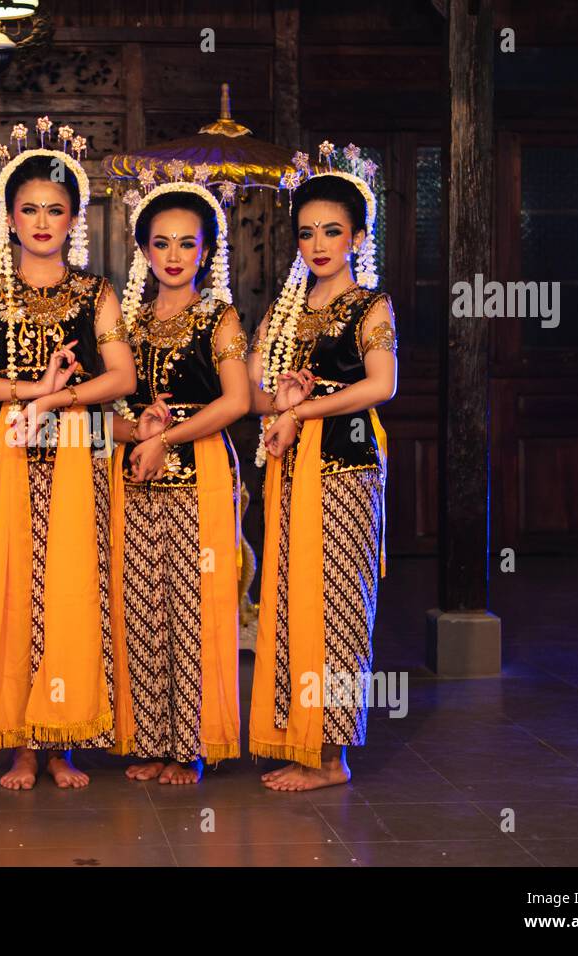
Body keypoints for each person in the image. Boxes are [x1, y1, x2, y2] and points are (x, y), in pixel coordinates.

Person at [0, 118, 136, 790]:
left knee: (73, 589)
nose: (42, 221)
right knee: (11, 589)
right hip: (8, 454)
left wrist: (59, 401)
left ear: (75, 216)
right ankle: (21, 741)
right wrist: (29, 390)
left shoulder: (97, 294)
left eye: (55, 210)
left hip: (78, 454)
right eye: (29, 209)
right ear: (10, 216)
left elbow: (124, 377)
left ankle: (66, 740)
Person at [248, 144, 397, 791]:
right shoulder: (288, 315)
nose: (318, 243)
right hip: (290, 469)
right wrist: (279, 398)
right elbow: (252, 394)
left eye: (332, 230)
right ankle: (298, 739)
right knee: (289, 603)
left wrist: (307, 408)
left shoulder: (371, 307)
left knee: (337, 608)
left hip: (346, 468)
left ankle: (333, 756)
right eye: (307, 232)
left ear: (359, 236)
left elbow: (382, 384)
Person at [105, 171, 249, 785]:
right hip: (136, 476)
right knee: (139, 604)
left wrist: (165, 435)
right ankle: (149, 739)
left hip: (201, 474)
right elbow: (105, 406)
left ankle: (190, 743)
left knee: (194, 606)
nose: (173, 256)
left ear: (208, 251)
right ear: (142, 251)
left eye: (187, 244)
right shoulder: (126, 325)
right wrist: (136, 432)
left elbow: (237, 400)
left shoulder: (220, 319)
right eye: (160, 243)